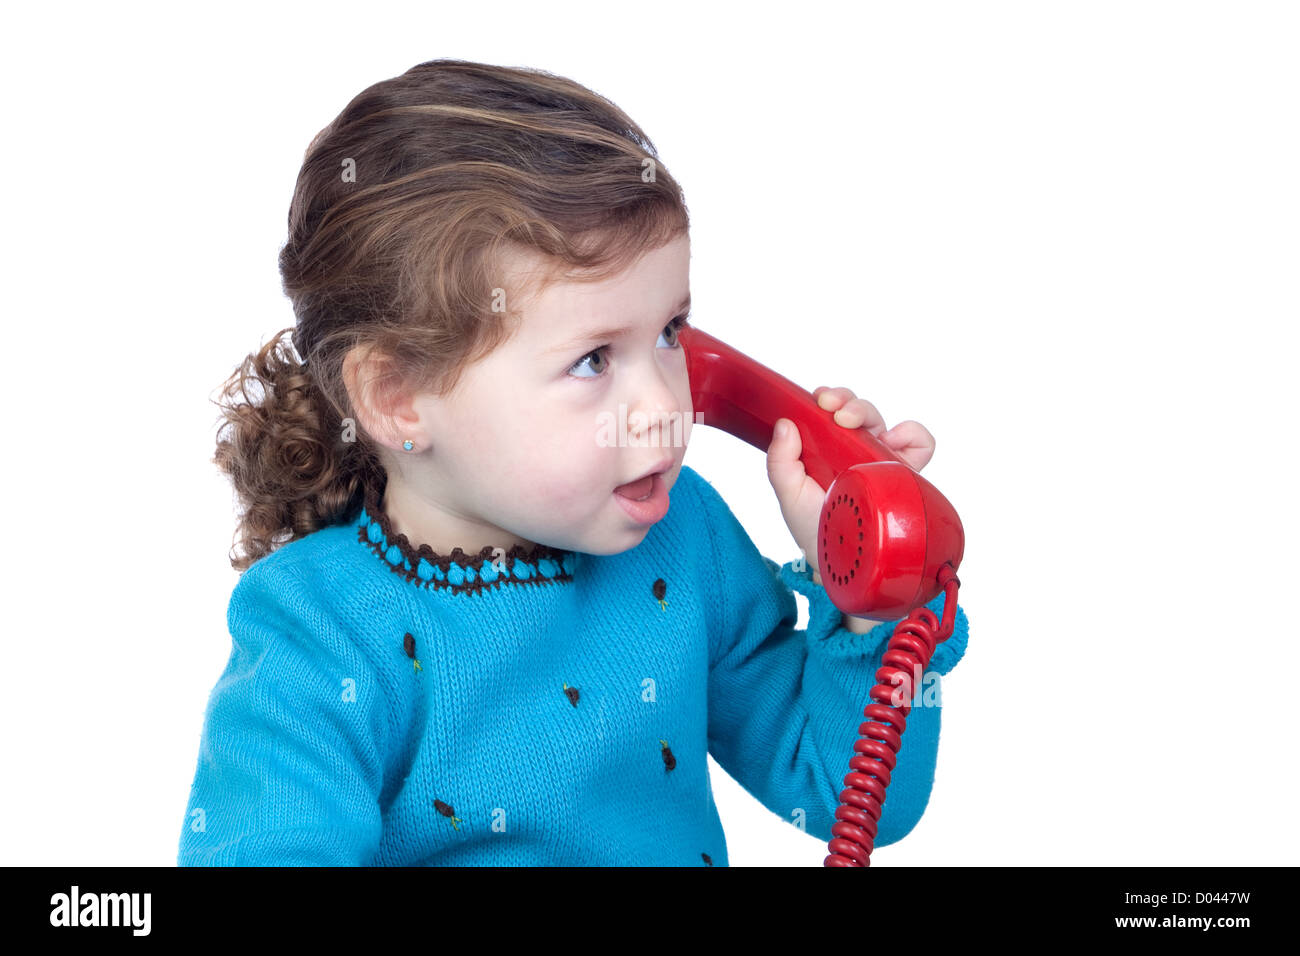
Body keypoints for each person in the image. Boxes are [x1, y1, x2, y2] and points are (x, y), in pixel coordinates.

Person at [177, 58, 970, 866]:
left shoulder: (685, 539)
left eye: (670, 333)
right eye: (593, 359)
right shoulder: (320, 625)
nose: (668, 404)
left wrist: (870, 599)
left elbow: (844, 795)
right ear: (398, 397)